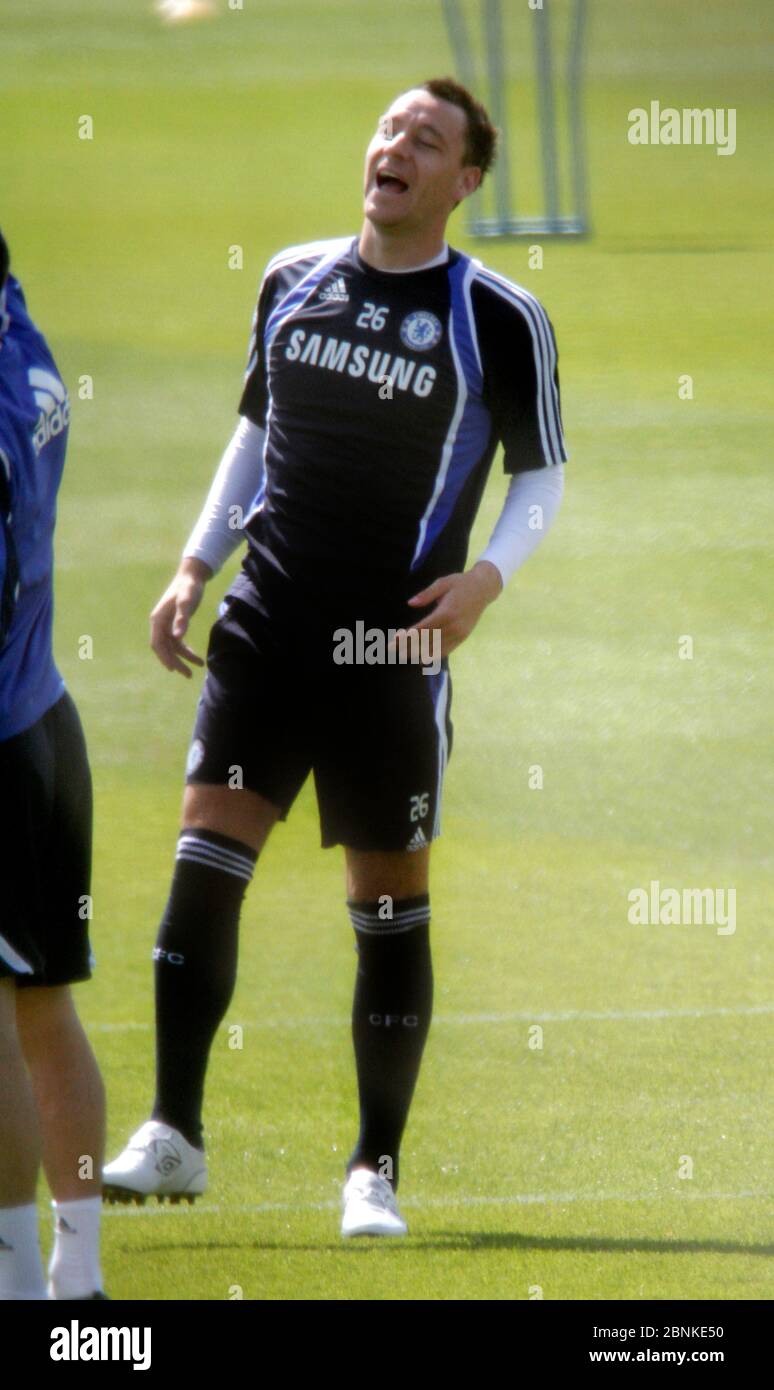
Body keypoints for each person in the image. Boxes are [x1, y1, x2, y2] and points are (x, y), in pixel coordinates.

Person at [103, 76, 567, 1237]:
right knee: (205, 856)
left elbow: (542, 470)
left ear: (464, 183)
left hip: (391, 645)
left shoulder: (495, 317)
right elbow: (256, 433)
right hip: (267, 623)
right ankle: (172, 1135)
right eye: (390, 127)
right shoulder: (291, 279)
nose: (397, 145)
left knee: (388, 903)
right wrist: (192, 566)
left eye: (430, 139)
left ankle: (374, 1170)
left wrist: (484, 582)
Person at [0, 229, 108, 1298]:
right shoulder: (21, 341)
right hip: (45, 729)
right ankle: (78, 1280)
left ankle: (18, 1286)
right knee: (45, 1007)